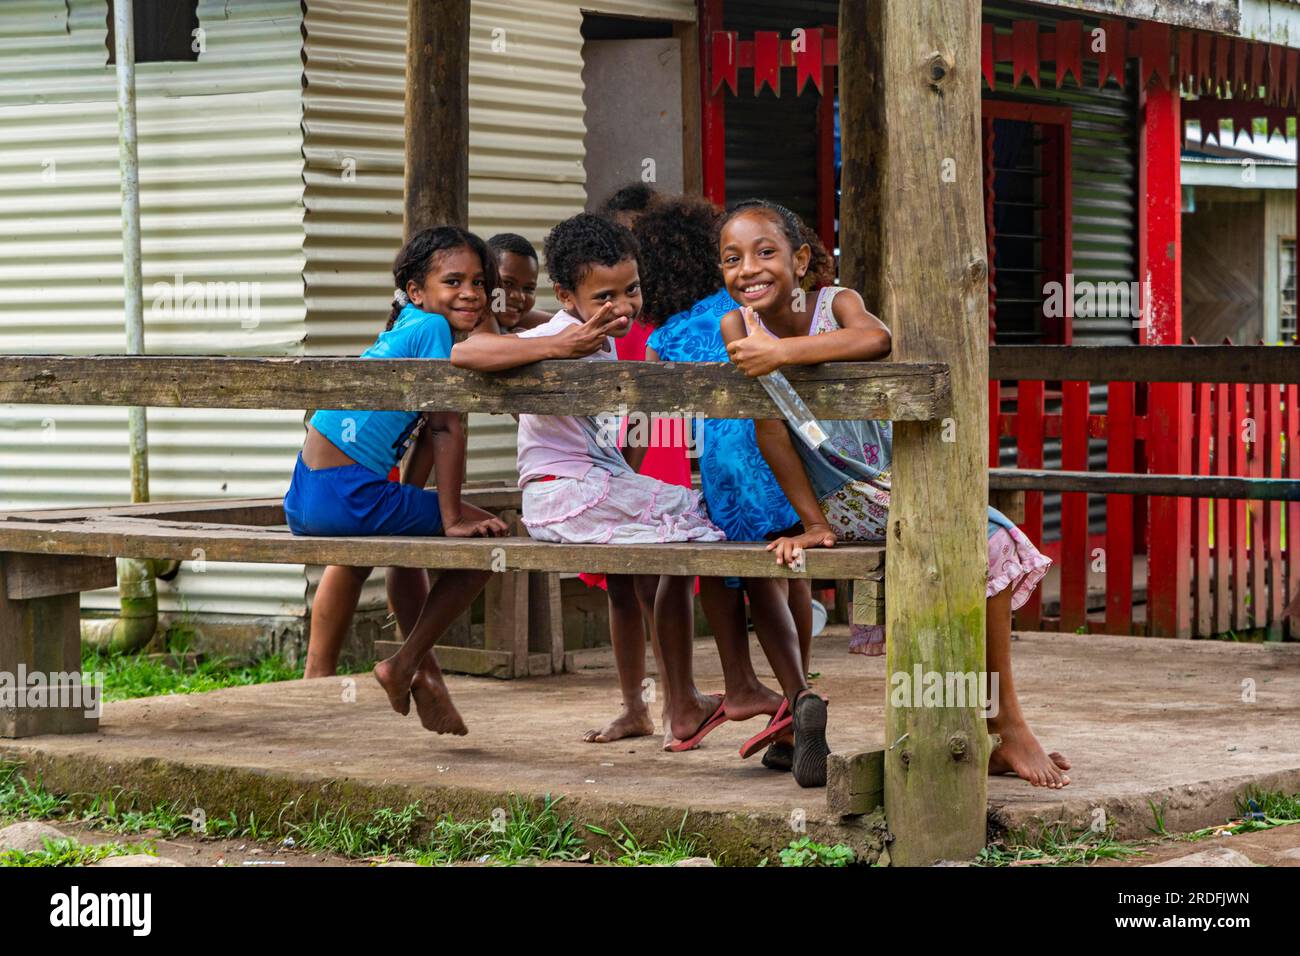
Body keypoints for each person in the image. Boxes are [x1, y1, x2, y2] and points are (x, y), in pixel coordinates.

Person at [717, 199, 1071, 789]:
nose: (747, 268)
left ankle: (996, 723)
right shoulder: (738, 328)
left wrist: (782, 352)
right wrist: (810, 523)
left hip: (892, 483)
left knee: (986, 543)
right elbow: (769, 426)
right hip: (840, 500)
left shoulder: (838, 303)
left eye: (765, 252)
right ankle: (1003, 726)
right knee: (985, 537)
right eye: (732, 259)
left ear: (801, 260)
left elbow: (875, 339)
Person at [451, 213, 739, 755]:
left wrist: (572, 325)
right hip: (570, 496)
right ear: (568, 295)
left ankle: (640, 707)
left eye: (632, 290)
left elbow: (543, 321)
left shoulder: (588, 326)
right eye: (606, 296)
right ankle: (686, 701)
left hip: (588, 489)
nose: (623, 307)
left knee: (637, 580)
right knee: (706, 524)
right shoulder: (563, 335)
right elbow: (466, 353)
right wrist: (560, 346)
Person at [284, 226, 509, 734]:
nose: (470, 293)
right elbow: (447, 426)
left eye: (478, 282)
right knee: (493, 540)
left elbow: (431, 434)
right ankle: (405, 663)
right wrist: (450, 518)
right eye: (453, 281)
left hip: (306, 493)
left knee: (413, 542)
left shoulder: (412, 327)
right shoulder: (431, 330)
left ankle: (424, 677)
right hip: (345, 495)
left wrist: (422, 505)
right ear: (416, 291)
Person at [636, 194, 830, 774]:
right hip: (781, 463)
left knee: (737, 569)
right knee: (782, 575)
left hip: (723, 471)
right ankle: (796, 700)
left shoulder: (669, 334)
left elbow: (639, 406)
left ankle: (771, 695)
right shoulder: (760, 311)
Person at [487, 233, 549, 332]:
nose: (519, 296)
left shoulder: (504, 309)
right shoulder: (477, 316)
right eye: (508, 283)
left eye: (528, 288)